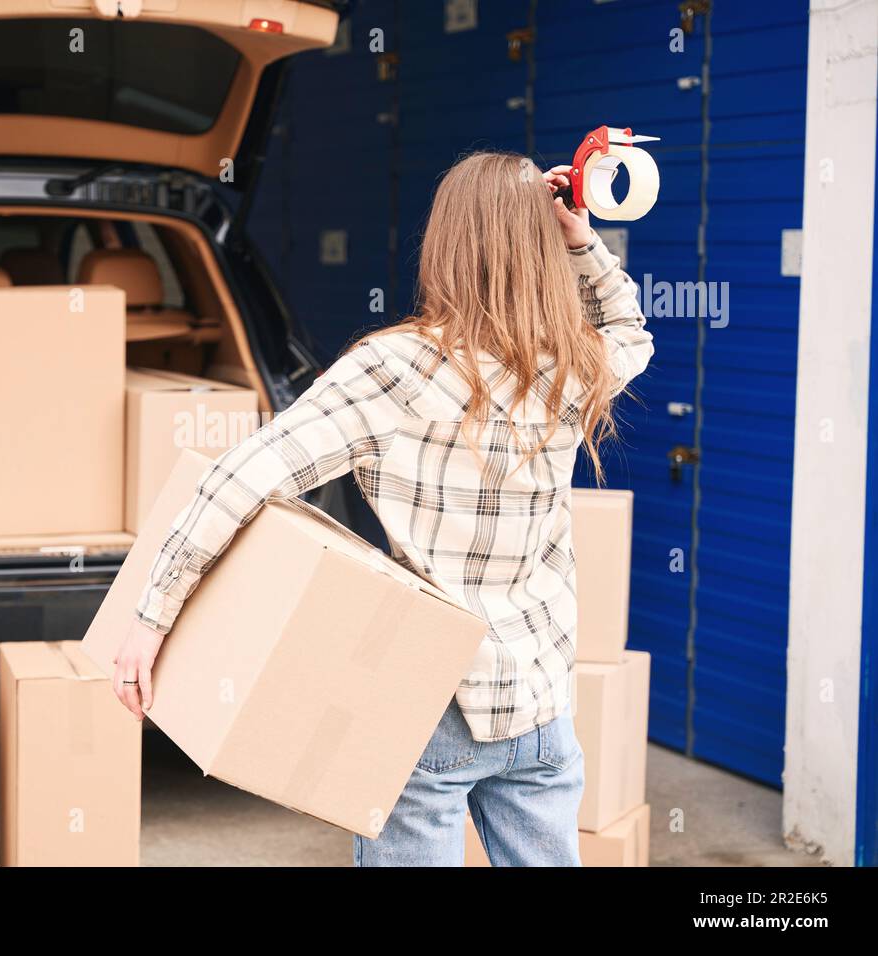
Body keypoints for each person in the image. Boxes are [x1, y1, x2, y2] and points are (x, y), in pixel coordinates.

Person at [108, 152, 654, 867]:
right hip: (543, 702)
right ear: (540, 248)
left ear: (447, 247)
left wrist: (152, 617)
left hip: (437, 703)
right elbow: (632, 331)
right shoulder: (571, 366)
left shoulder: (396, 370)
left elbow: (241, 477)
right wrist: (580, 242)